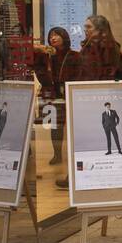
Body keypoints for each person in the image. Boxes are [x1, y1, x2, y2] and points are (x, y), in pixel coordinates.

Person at [32, 26, 81, 165]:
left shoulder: (74, 55)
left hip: (69, 94)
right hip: (52, 94)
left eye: (56, 35)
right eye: (50, 35)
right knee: (54, 125)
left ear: (64, 37)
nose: (52, 38)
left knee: (72, 126)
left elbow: (79, 74)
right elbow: (38, 69)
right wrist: (40, 50)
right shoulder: (45, 55)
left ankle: (73, 156)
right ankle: (57, 155)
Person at [80, 14, 122, 81]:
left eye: (89, 27)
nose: (85, 30)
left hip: (105, 88)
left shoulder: (110, 49)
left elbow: (121, 75)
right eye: (85, 27)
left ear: (99, 29)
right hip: (87, 88)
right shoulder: (86, 48)